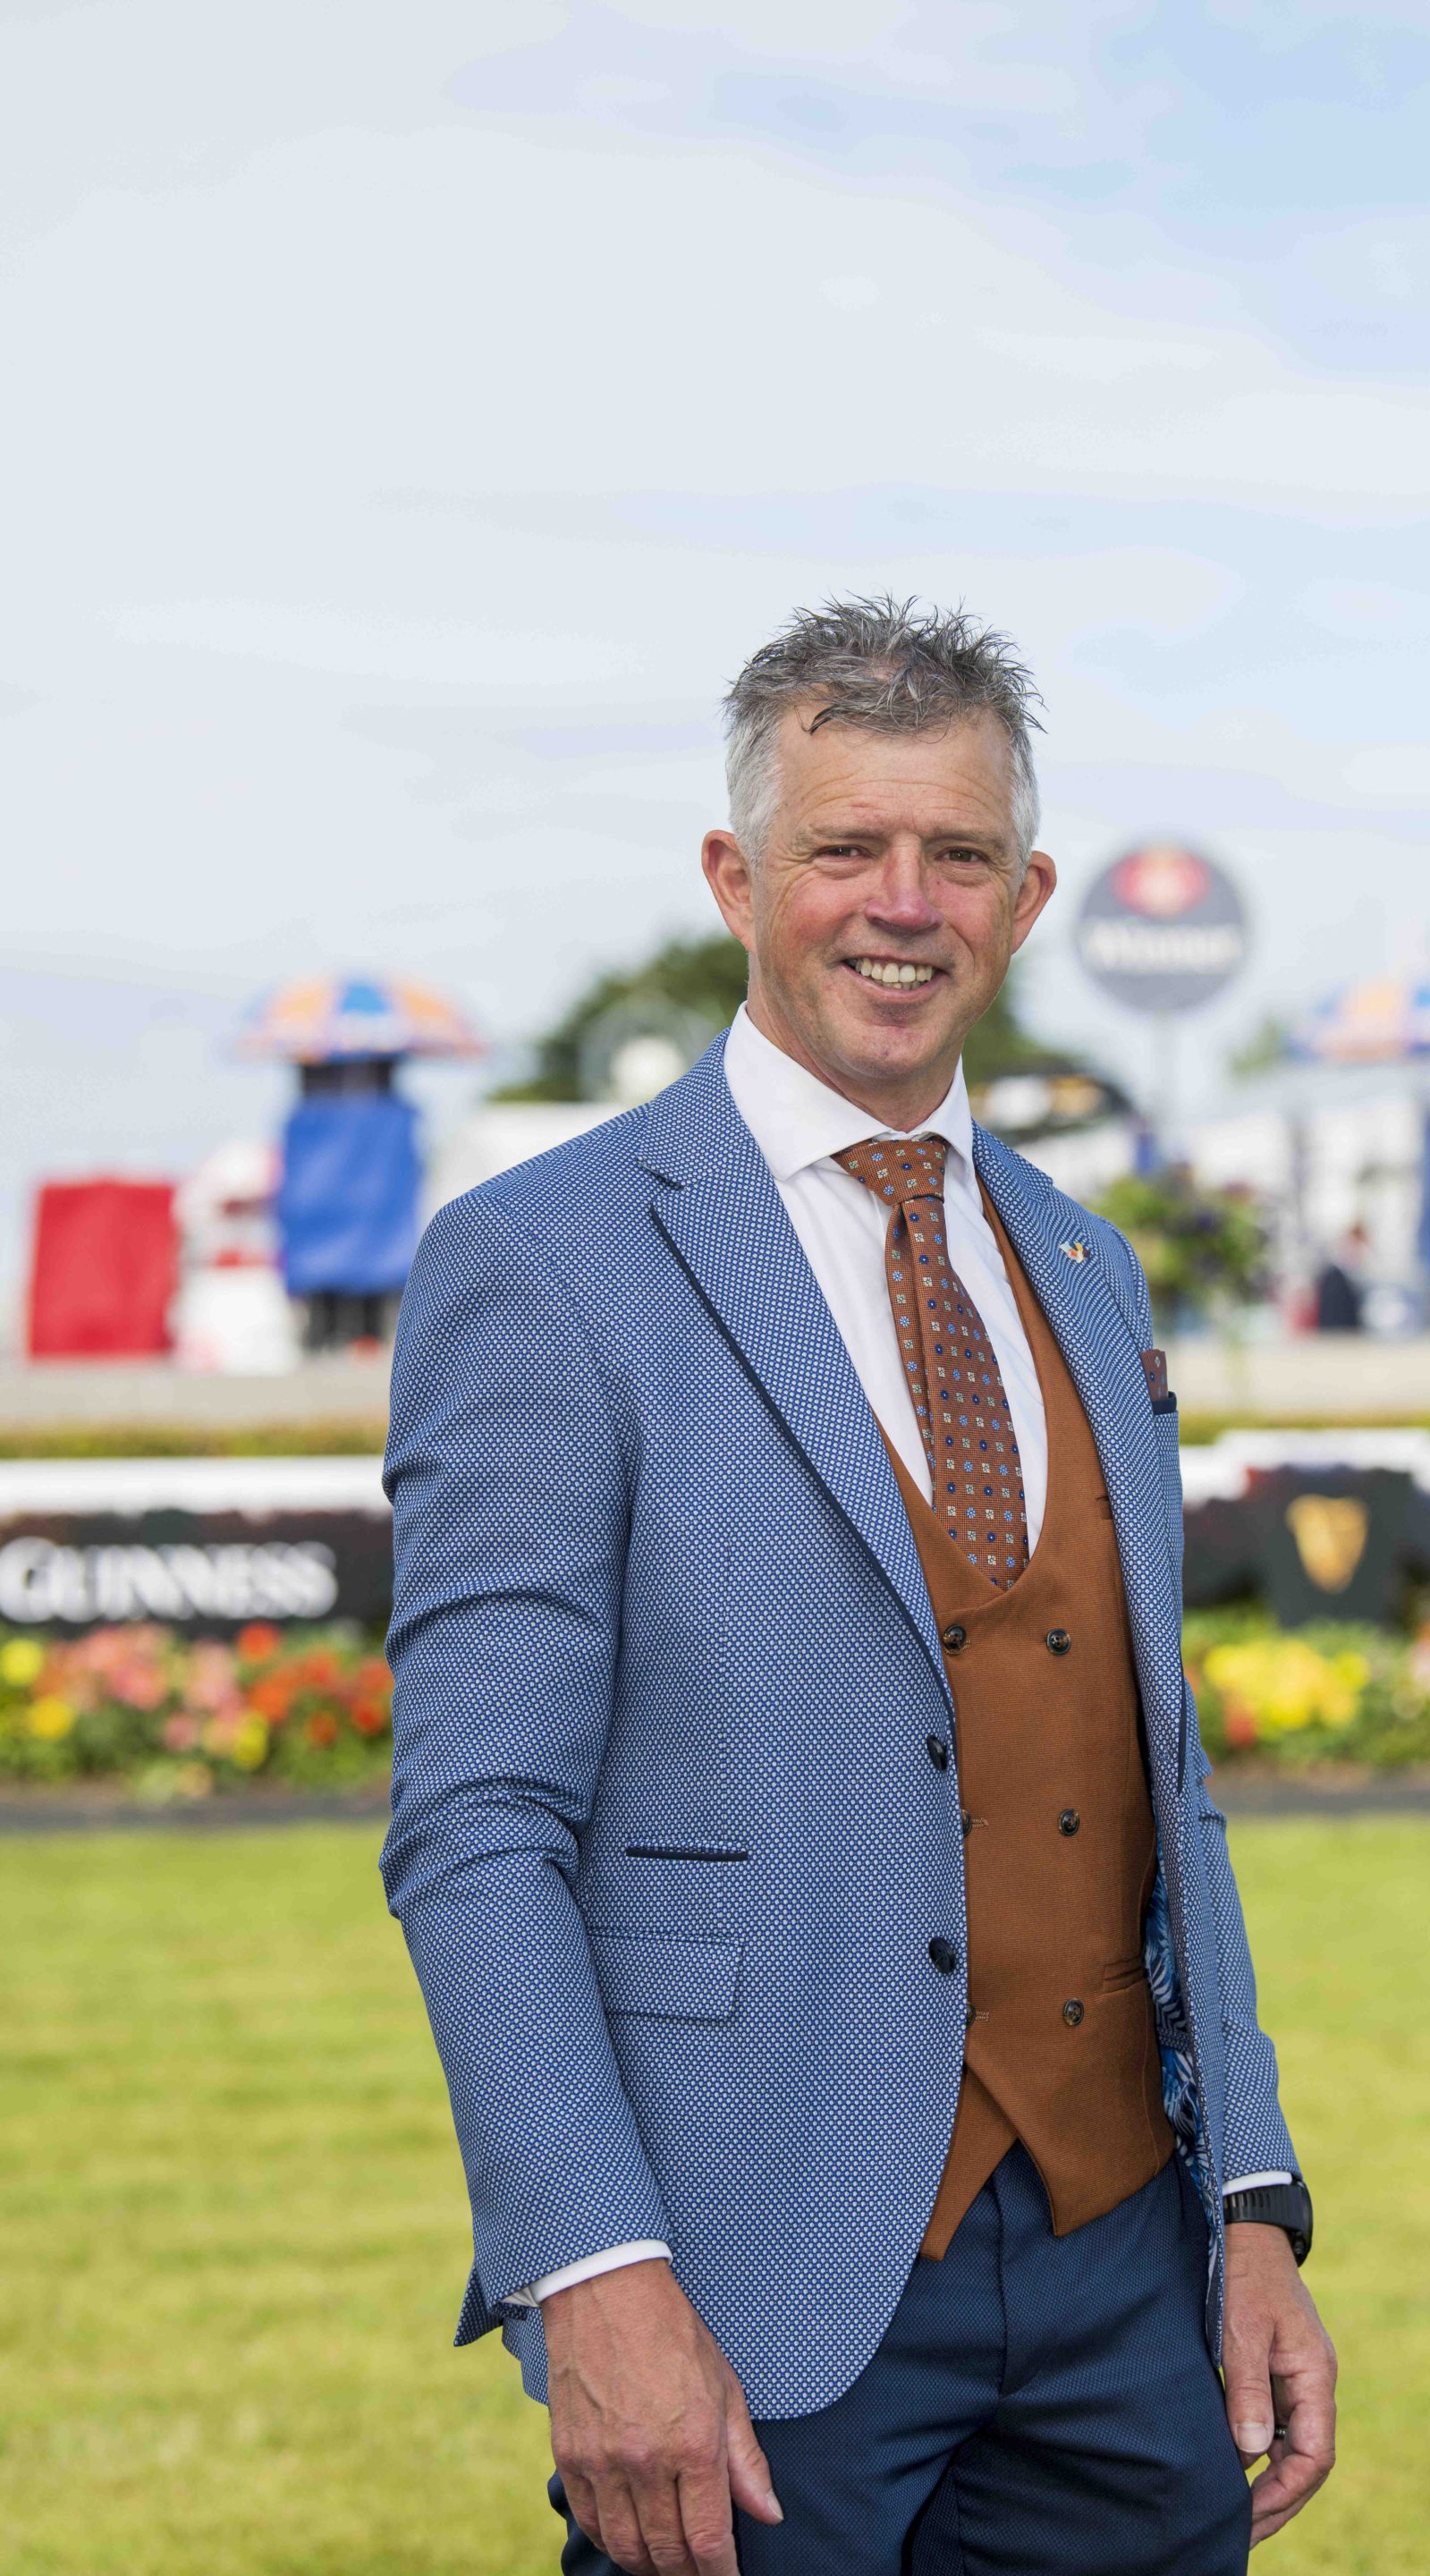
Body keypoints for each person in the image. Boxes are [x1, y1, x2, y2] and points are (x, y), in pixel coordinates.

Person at [382, 598, 1336, 2575]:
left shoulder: (1087, 1265)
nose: (902, 905)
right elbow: (478, 1826)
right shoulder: (549, 1261)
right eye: (844, 849)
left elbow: (1163, 1777)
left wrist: (1250, 2197)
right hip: (746, 2281)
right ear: (739, 878)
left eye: (959, 855)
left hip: (1120, 2282)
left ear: (1028, 891)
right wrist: (592, 2269)